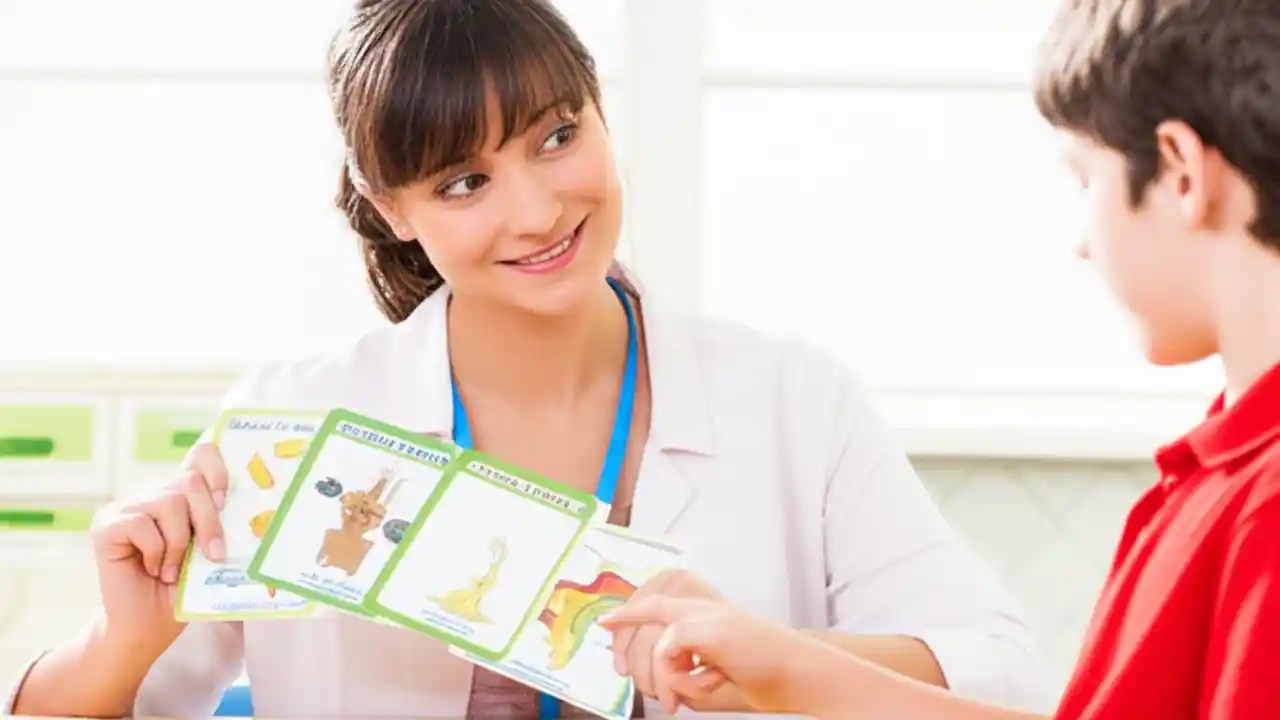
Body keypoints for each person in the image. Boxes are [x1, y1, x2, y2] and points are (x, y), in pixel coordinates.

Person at [5, 1, 1049, 718]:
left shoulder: (789, 398)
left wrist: (767, 666)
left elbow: (997, 678)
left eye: (557, 136)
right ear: (389, 210)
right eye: (464, 181)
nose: (539, 209)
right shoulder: (303, 417)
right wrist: (124, 636)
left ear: (600, 110)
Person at [599, 1, 1280, 718]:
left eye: (1087, 180)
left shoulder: (1263, 503)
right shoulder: (1223, 468)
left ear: (1178, 172)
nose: (1083, 240)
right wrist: (790, 669)